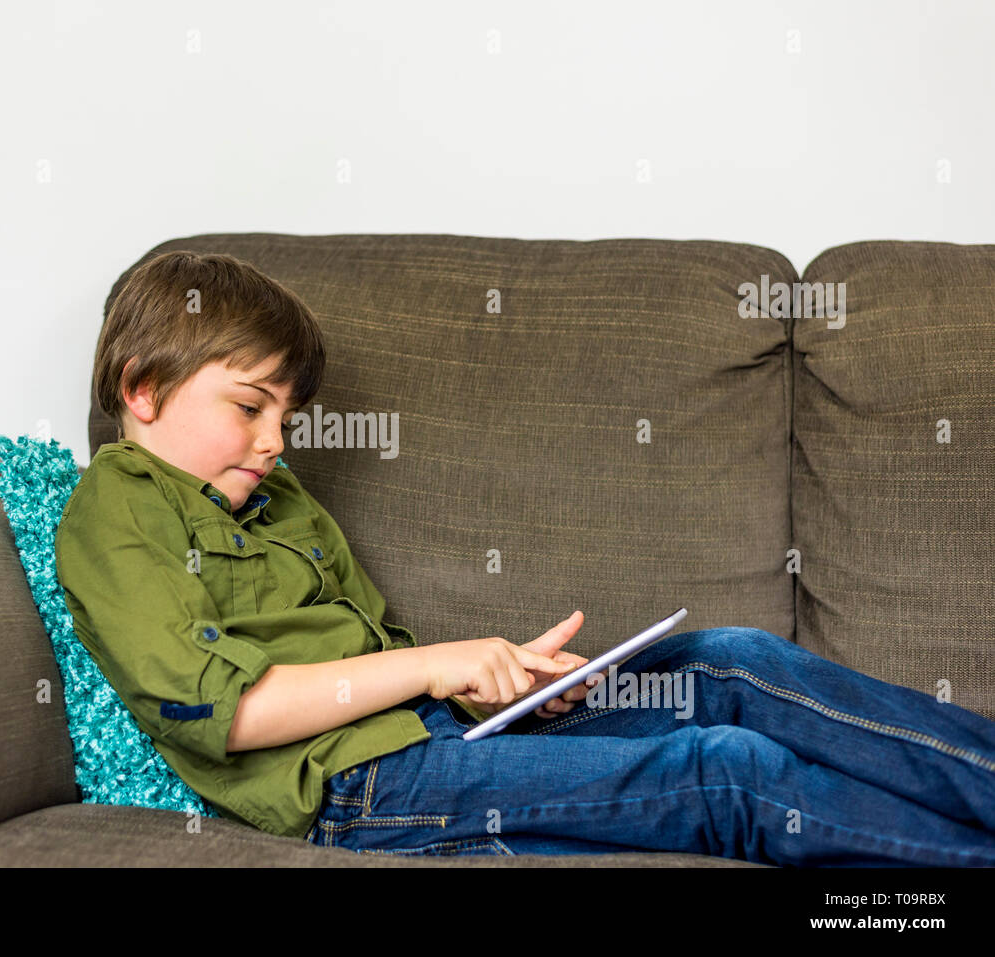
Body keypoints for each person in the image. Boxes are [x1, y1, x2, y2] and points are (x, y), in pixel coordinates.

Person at [54, 250, 995, 866]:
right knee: (727, 768)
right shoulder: (116, 510)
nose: (273, 442)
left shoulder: (279, 497)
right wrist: (441, 662)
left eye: (286, 418)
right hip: (360, 791)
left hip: (441, 735)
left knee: (735, 660)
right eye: (250, 407)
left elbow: (372, 657)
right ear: (142, 390)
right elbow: (228, 711)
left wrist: (503, 689)